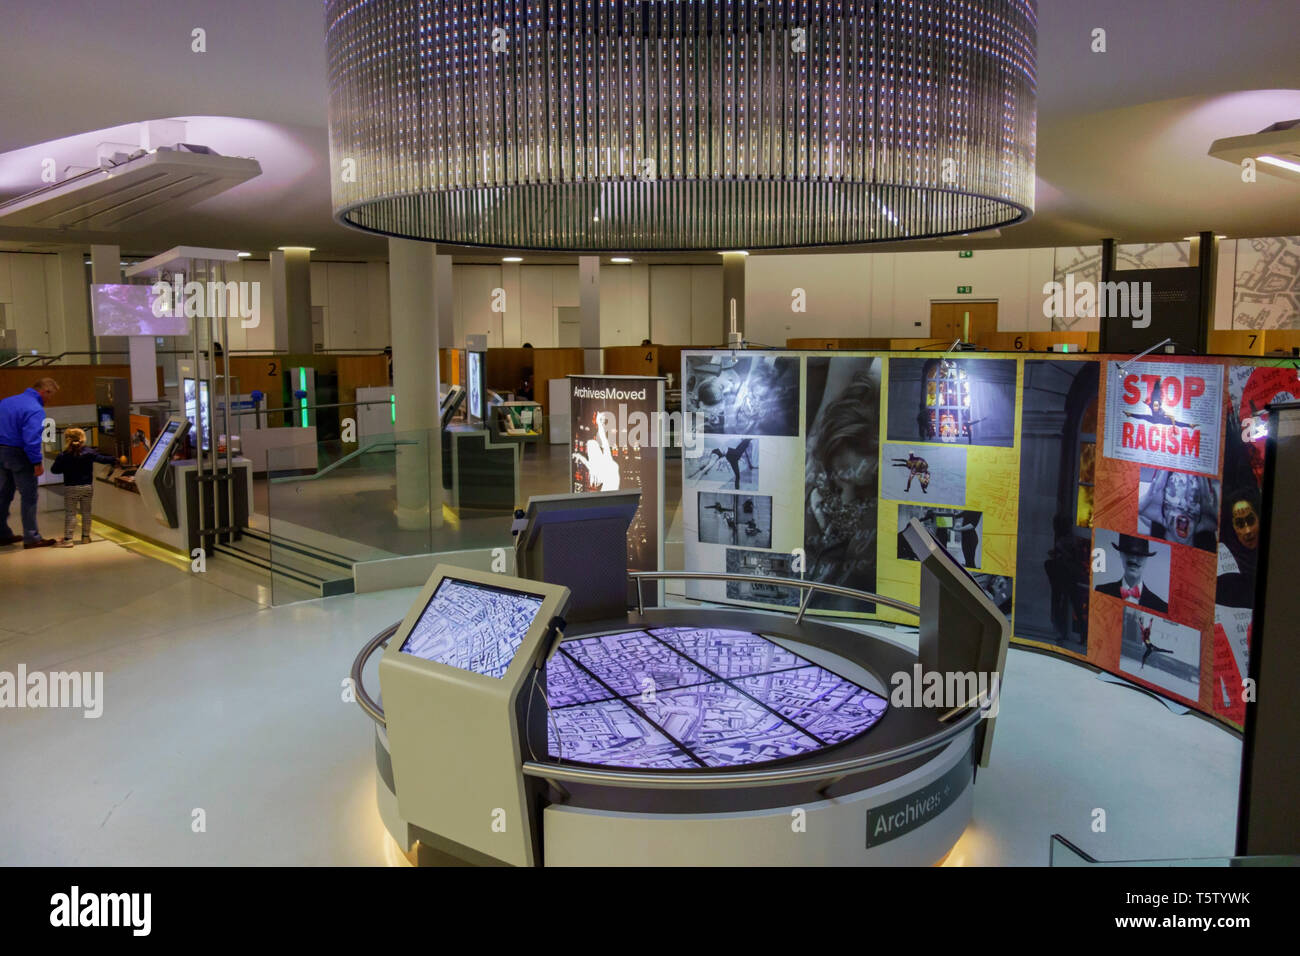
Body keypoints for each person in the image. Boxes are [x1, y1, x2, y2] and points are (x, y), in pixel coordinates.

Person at [0, 377, 60, 548]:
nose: (49, 400)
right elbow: (31, 439)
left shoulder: (6, 401)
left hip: (0, 451)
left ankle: (2, 533)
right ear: (45, 391)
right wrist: (37, 462)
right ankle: (32, 537)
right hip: (19, 454)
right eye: (51, 395)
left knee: (3, 494)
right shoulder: (35, 409)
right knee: (29, 496)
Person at [50, 428, 120, 547]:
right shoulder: (89, 452)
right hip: (87, 487)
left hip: (71, 488)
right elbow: (103, 459)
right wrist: (116, 460)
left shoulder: (64, 455)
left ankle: (68, 539)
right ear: (83, 438)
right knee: (86, 513)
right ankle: (86, 537)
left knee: (71, 514)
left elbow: (54, 470)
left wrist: (66, 467)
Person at [1095, 534, 1168, 613]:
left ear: (1146, 558)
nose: (1133, 559)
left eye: (1140, 554)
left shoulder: (1161, 607)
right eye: (1128, 552)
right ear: (1120, 553)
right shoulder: (1101, 590)